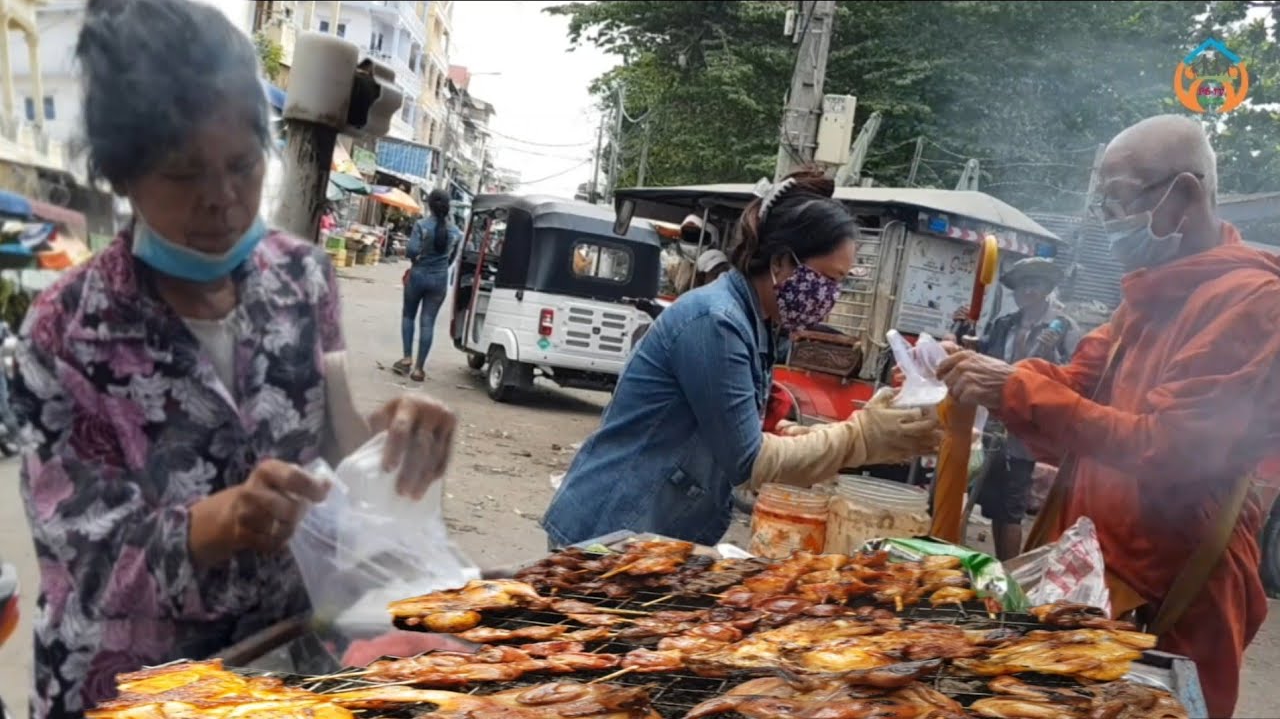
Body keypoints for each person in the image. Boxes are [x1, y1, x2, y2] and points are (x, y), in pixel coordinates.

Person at [13, 0, 458, 715]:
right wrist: (215, 523)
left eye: (243, 165)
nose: (222, 199)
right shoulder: (60, 332)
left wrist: (399, 438)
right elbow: (81, 559)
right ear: (122, 176)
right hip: (130, 687)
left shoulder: (304, 279)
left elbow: (338, 440)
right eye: (185, 174)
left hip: (279, 675)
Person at [936, 114, 1274, 718]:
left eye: (1117, 201)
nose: (1109, 222)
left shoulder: (1249, 302)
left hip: (1175, 587)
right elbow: (1074, 387)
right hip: (1092, 575)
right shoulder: (1148, 295)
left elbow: (1169, 450)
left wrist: (1017, 389)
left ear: (1185, 195)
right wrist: (982, 377)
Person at [542, 168, 942, 548]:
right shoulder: (716, 322)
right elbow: (748, 462)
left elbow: (740, 429)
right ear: (782, 262)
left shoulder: (756, 323)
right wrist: (859, 437)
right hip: (609, 531)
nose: (832, 296)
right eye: (830, 279)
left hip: (646, 531)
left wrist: (814, 436)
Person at [951, 258, 1079, 560]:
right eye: (1021, 285)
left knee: (1010, 508)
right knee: (982, 497)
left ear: (1047, 288)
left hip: (1026, 427)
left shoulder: (1062, 329)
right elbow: (979, 352)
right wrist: (961, 329)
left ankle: (1011, 573)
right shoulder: (1004, 323)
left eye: (1033, 283)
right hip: (991, 420)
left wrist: (1051, 357)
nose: (1026, 291)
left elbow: (1077, 378)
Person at [394, 188, 461, 382]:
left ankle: (406, 358)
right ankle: (419, 369)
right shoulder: (456, 232)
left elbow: (411, 251)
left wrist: (418, 258)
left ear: (429, 206)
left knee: (408, 315)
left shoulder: (421, 226)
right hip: (439, 280)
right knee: (428, 321)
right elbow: (451, 259)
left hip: (418, 276)